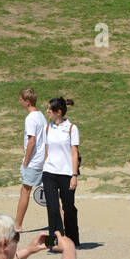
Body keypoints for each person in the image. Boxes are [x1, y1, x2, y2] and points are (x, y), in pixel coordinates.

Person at [42, 97, 80, 248]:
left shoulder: (72, 128)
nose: (47, 112)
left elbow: (74, 153)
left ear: (58, 112)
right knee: (52, 209)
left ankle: (72, 241)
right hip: (49, 173)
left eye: (50, 110)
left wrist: (74, 175)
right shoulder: (47, 128)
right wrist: (43, 170)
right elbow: (46, 151)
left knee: (68, 208)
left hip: (66, 174)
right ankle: (53, 243)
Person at [14, 88, 47, 230]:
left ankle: (17, 225)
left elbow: (31, 141)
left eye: (21, 99)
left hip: (33, 161)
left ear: (27, 102)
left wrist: (26, 161)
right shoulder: (41, 116)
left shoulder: (30, 119)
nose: (19, 102)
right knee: (50, 196)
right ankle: (64, 224)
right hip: (43, 161)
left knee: (25, 191)